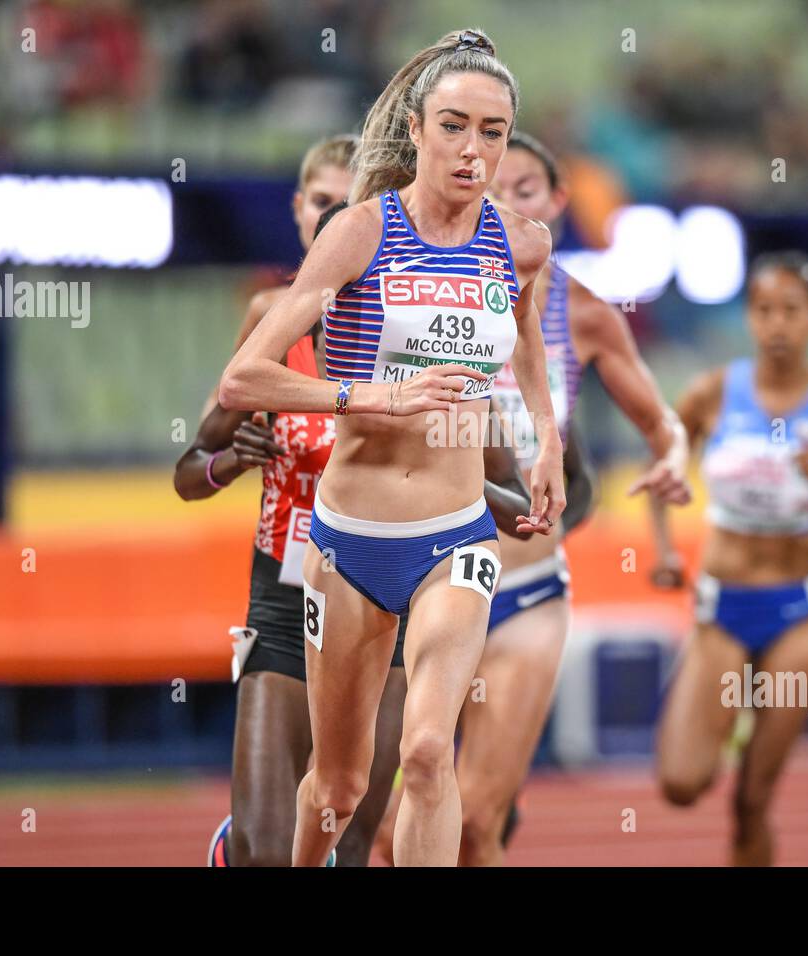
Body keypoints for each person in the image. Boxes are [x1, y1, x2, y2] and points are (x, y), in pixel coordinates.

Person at [218, 28, 564, 866]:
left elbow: (524, 347)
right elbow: (243, 380)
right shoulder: (360, 234)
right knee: (336, 787)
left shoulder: (523, 244)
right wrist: (369, 395)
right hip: (347, 539)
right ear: (414, 128)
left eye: (492, 132)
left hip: (454, 539)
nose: (473, 149)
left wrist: (543, 437)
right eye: (453, 126)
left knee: (424, 753)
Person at [449, 130, 691, 866]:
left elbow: (661, 422)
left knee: (474, 824)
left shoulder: (584, 313)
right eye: (490, 191)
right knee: (387, 827)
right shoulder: (426, 298)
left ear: (555, 203)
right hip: (420, 580)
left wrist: (673, 459)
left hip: (524, 587)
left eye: (524, 191)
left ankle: (497, 792)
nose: (506, 207)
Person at [654, 251, 808, 866]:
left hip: (800, 609)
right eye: (763, 311)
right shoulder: (712, 393)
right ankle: (714, 733)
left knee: (753, 800)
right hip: (722, 603)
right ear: (748, 319)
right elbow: (659, 467)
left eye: (792, 311)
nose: (777, 325)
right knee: (681, 784)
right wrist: (662, 546)